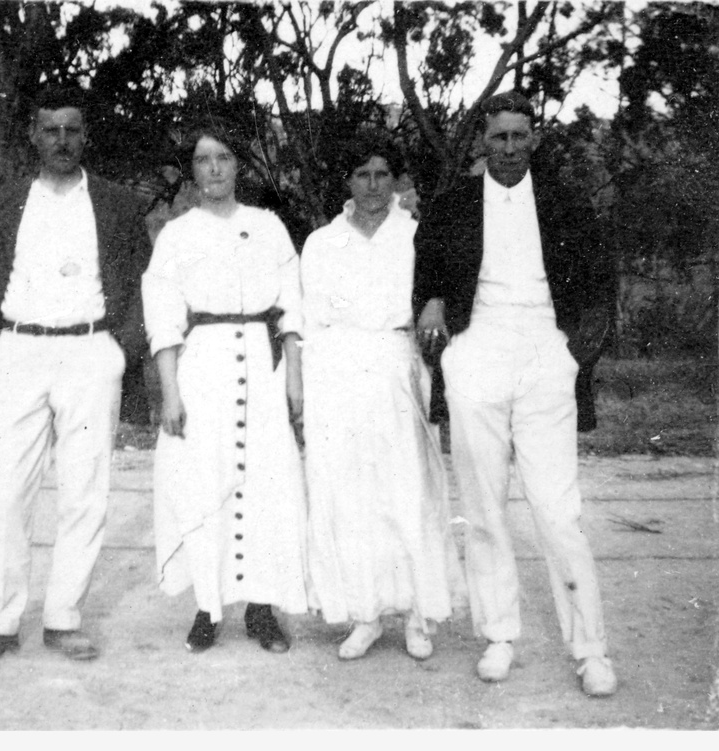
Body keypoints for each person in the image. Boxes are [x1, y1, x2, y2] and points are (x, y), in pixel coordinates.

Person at [413, 91, 617, 696]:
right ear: (483, 141)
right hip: (477, 351)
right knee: (484, 507)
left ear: (534, 139)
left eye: (518, 137)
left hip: (544, 353)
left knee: (558, 511)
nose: (508, 148)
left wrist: (570, 355)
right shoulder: (452, 207)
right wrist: (435, 314)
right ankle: (498, 635)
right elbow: (427, 282)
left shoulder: (565, 205)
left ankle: (591, 649)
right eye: (497, 137)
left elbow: (600, 287)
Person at [0, 84, 152, 666]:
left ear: (85, 136)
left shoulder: (116, 204)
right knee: (7, 490)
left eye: (72, 129)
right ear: (33, 136)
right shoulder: (1, 202)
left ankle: (64, 619)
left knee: (84, 493)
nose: (62, 140)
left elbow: (144, 283)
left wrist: (122, 350)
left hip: (91, 354)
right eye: (51, 129)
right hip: (19, 351)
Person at [142, 125, 309, 654]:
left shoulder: (268, 227)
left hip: (263, 366)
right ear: (192, 170)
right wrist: (170, 394)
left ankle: (261, 609)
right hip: (204, 366)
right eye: (202, 159)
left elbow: (293, 310)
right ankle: (208, 608)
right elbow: (163, 318)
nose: (214, 169)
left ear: (239, 167)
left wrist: (295, 382)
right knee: (200, 483)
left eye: (224, 158)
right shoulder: (176, 234)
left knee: (265, 485)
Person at [300, 137, 465, 661]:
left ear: (396, 180)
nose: (373, 185)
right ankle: (365, 614)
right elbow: (309, 321)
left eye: (382, 174)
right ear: (346, 181)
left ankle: (419, 616)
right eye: (362, 174)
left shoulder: (419, 236)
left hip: (397, 367)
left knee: (408, 492)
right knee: (349, 498)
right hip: (337, 371)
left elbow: (438, 307)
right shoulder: (322, 242)